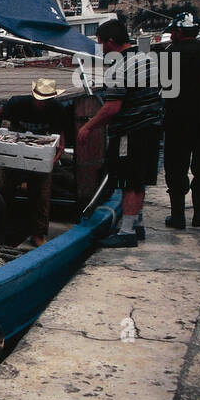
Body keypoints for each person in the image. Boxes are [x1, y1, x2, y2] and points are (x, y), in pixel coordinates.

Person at [77, 18, 164, 247]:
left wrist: (88, 127)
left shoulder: (119, 67)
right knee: (140, 179)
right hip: (151, 127)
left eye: (101, 43)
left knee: (128, 181)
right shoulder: (148, 59)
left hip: (130, 131)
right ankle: (136, 223)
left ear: (111, 42)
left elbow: (112, 108)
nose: (101, 49)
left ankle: (126, 233)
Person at [156, 13, 200, 228]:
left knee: (176, 167)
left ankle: (178, 216)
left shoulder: (167, 54)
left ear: (178, 32)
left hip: (176, 119)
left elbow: (160, 86)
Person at [0, 78, 70, 245]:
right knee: (2, 189)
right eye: (39, 99)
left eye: (45, 100)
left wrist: (57, 154)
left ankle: (38, 233)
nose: (41, 103)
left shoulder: (57, 109)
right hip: (13, 150)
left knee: (41, 194)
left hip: (40, 154)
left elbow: (60, 134)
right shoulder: (17, 103)